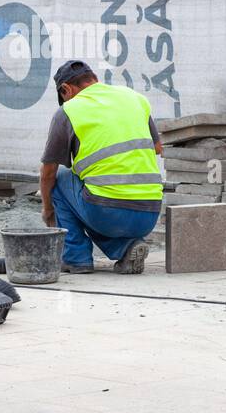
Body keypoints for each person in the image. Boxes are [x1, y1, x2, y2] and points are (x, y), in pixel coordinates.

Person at [40, 60, 164, 274]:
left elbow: (47, 173)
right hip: (150, 213)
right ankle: (127, 248)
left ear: (66, 90)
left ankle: (75, 258)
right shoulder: (135, 98)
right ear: (95, 79)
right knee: (93, 195)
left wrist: (48, 210)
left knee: (60, 179)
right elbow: (157, 148)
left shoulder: (68, 111)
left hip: (106, 214)